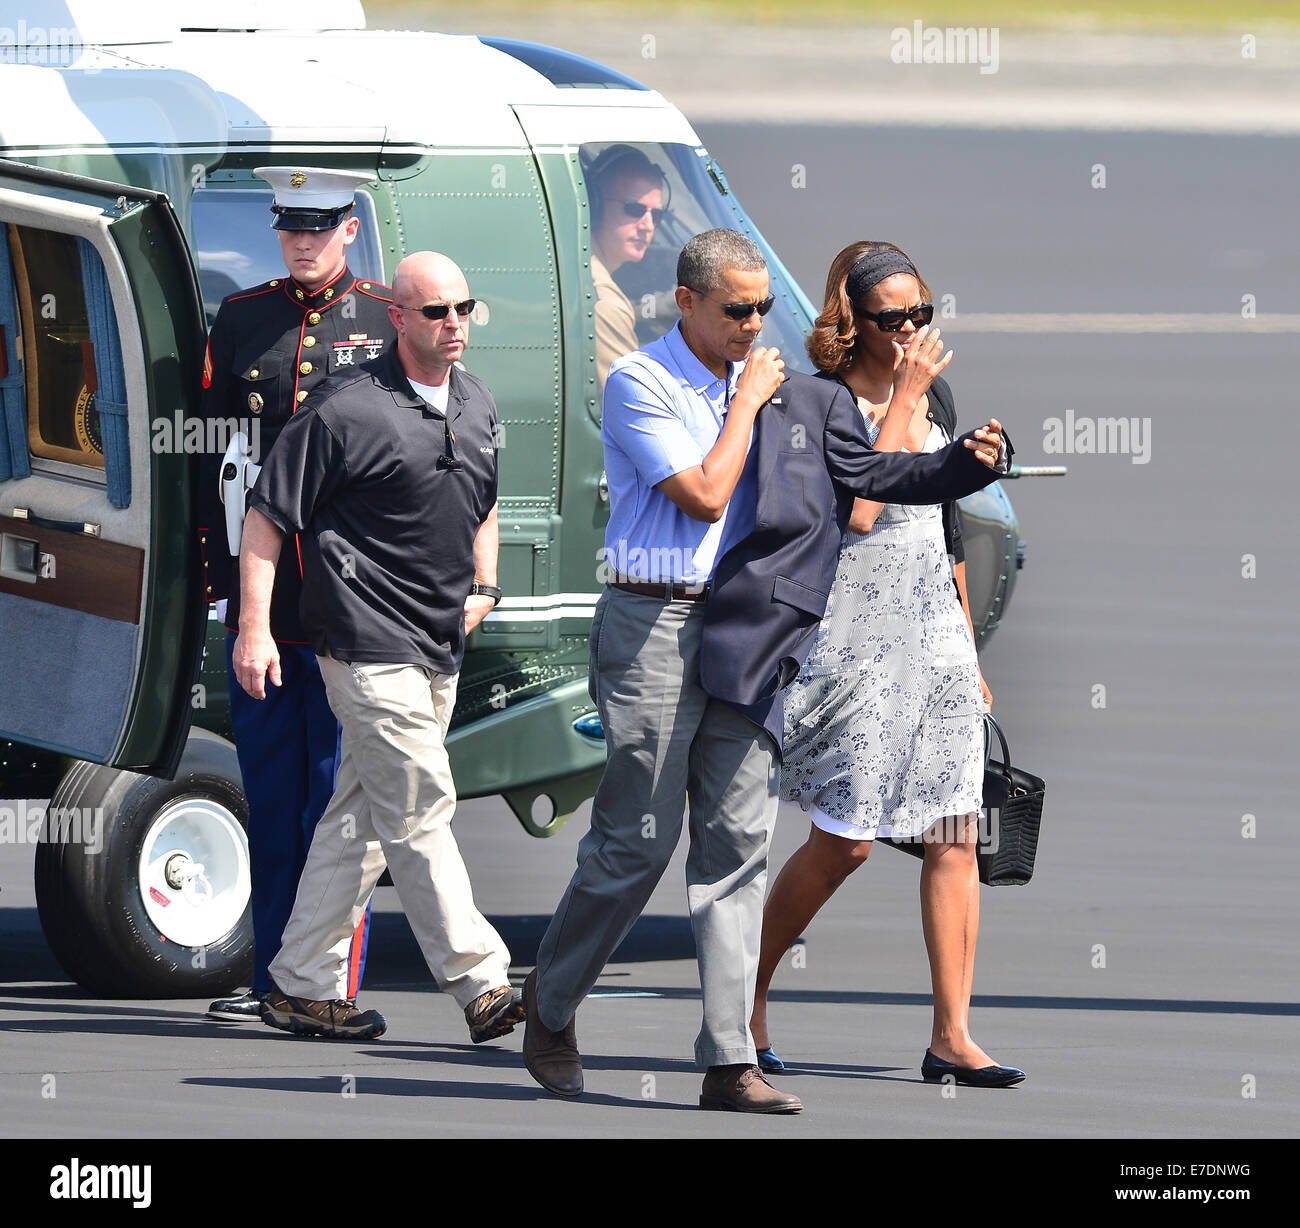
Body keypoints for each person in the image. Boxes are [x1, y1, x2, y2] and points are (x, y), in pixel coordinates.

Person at [522, 229, 1009, 1111]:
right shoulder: (644, 384)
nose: (755, 323)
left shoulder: (794, 397)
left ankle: (728, 1060)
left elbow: (875, 476)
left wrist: (962, 461)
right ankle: (551, 1004)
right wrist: (747, 405)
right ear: (687, 303)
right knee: (636, 844)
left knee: (739, 847)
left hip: (747, 628)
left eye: (760, 308)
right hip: (654, 625)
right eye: (736, 309)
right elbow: (705, 493)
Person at [750, 241, 1025, 1089]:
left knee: (952, 830)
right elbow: (863, 511)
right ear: (852, 323)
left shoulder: (934, 393)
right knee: (847, 841)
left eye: (920, 313)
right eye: (890, 318)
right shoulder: (818, 402)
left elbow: (940, 516)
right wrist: (903, 399)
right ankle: (745, 1002)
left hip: (933, 632)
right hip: (854, 636)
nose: (910, 331)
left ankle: (953, 1033)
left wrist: (966, 642)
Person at [234, 251, 523, 1045]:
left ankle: (300, 983)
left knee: (358, 820)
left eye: (464, 308)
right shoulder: (344, 410)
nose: (454, 324)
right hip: (363, 643)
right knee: (423, 805)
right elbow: (265, 517)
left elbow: (485, 502)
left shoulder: (475, 401)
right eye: (435, 312)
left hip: (437, 642)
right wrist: (255, 630)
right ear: (396, 318)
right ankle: (482, 981)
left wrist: (485, 588)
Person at [199, 166, 395, 1022]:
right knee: (275, 799)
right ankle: (271, 979)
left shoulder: (390, 317)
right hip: (266, 599)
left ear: (350, 229)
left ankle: (327, 981)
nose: (304, 242)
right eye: (290, 227)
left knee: (336, 803)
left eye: (320, 227)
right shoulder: (244, 319)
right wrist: (220, 585)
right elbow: (212, 454)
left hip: (354, 594)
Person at [586, 144, 667, 389]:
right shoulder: (604, 303)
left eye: (656, 216)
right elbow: (634, 400)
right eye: (635, 209)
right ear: (595, 204)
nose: (648, 225)